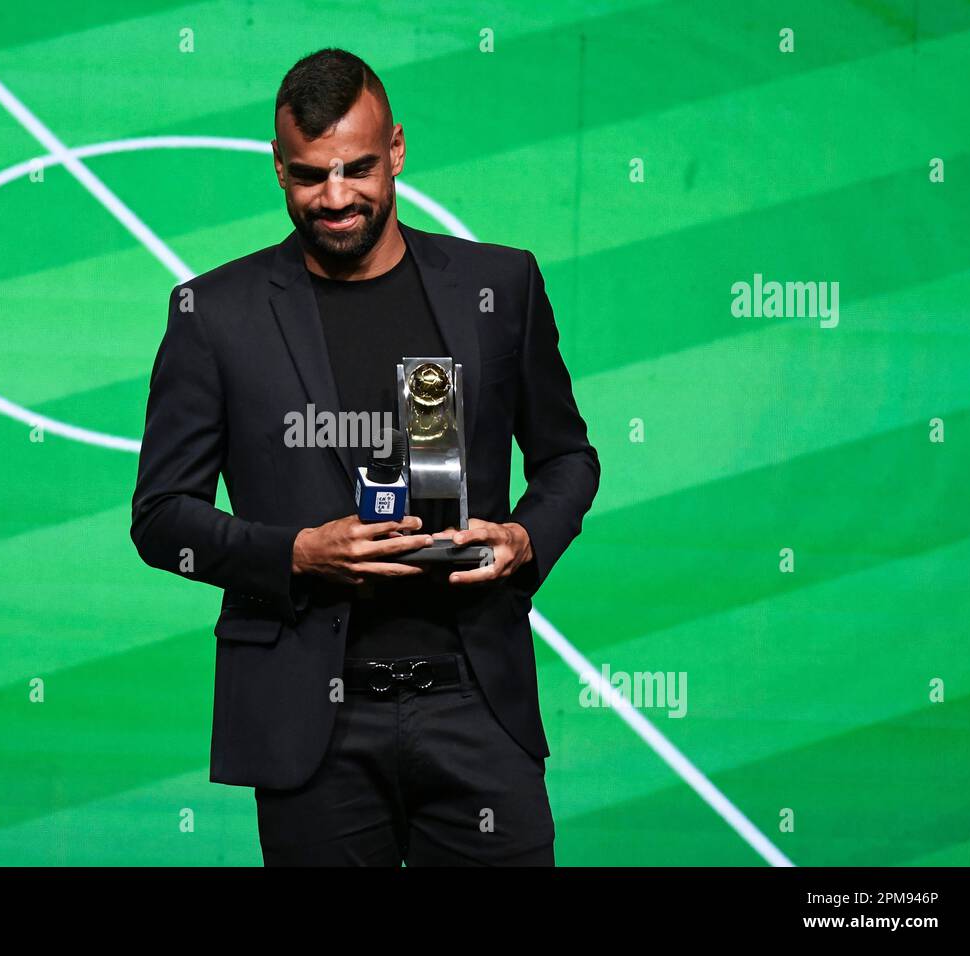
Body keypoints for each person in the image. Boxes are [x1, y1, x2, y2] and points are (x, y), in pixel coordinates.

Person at [131, 47, 599, 865]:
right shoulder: (216, 313)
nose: (337, 197)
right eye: (311, 176)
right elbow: (160, 518)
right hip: (312, 727)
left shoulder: (502, 287)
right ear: (277, 166)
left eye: (357, 168)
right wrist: (297, 554)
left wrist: (526, 540)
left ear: (397, 153)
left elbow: (568, 458)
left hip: (475, 707)